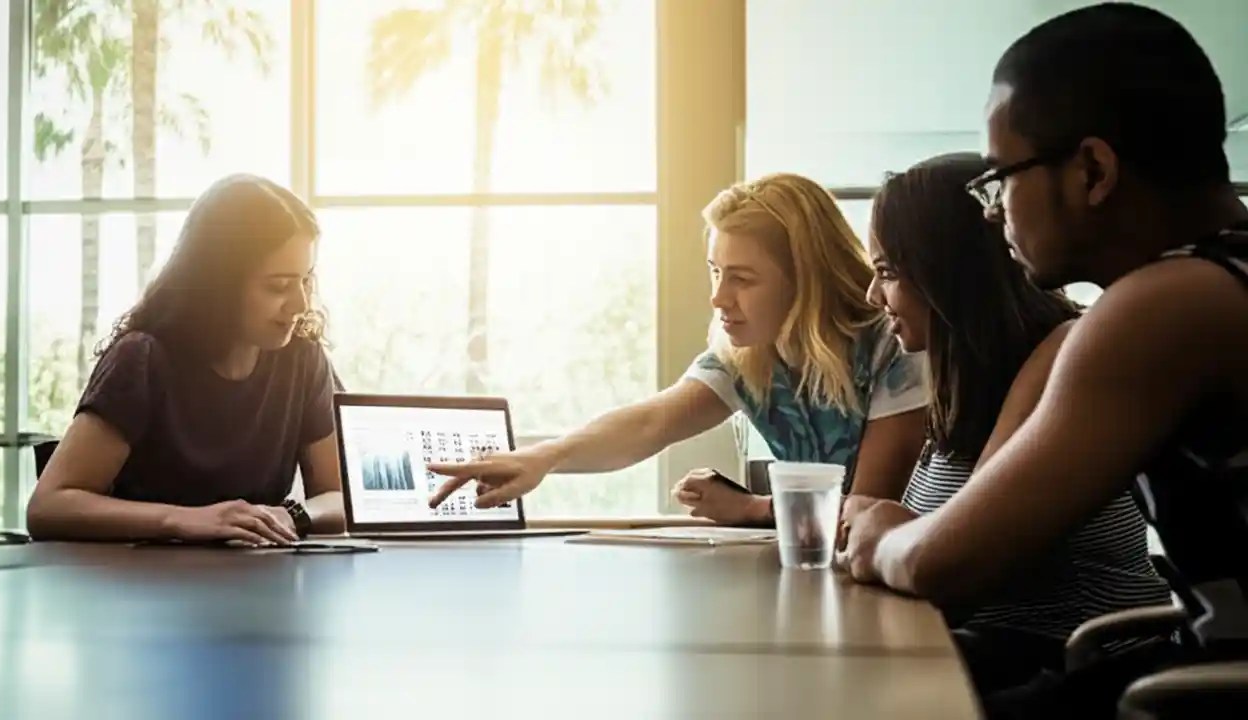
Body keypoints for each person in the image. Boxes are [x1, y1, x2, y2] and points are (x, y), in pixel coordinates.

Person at [837, 4, 1247, 716]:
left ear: (1093, 170)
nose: (992, 211)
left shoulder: (1167, 306)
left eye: (1001, 177)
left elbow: (947, 564)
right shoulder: (1218, 278)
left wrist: (878, 535)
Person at [853, 151, 1170, 703]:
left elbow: (954, 569)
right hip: (989, 650)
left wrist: (882, 528)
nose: (872, 297)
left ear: (947, 272)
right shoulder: (962, 383)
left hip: (1070, 663)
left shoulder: (1062, 353)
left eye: (887, 273)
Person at [427, 173, 929, 520]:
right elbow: (650, 423)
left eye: (742, 278)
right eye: (715, 271)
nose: (719, 297)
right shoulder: (746, 355)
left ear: (806, 280)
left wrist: (750, 509)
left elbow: (865, 509)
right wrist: (543, 458)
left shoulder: (895, 348)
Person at [26, 174, 345, 545]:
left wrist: (290, 515)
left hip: (259, 572)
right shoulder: (142, 359)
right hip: (142, 575)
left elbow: (342, 497)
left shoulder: (302, 360)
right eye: (279, 286)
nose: (300, 304)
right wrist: (184, 520)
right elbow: (48, 506)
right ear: (221, 283)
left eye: (305, 281)